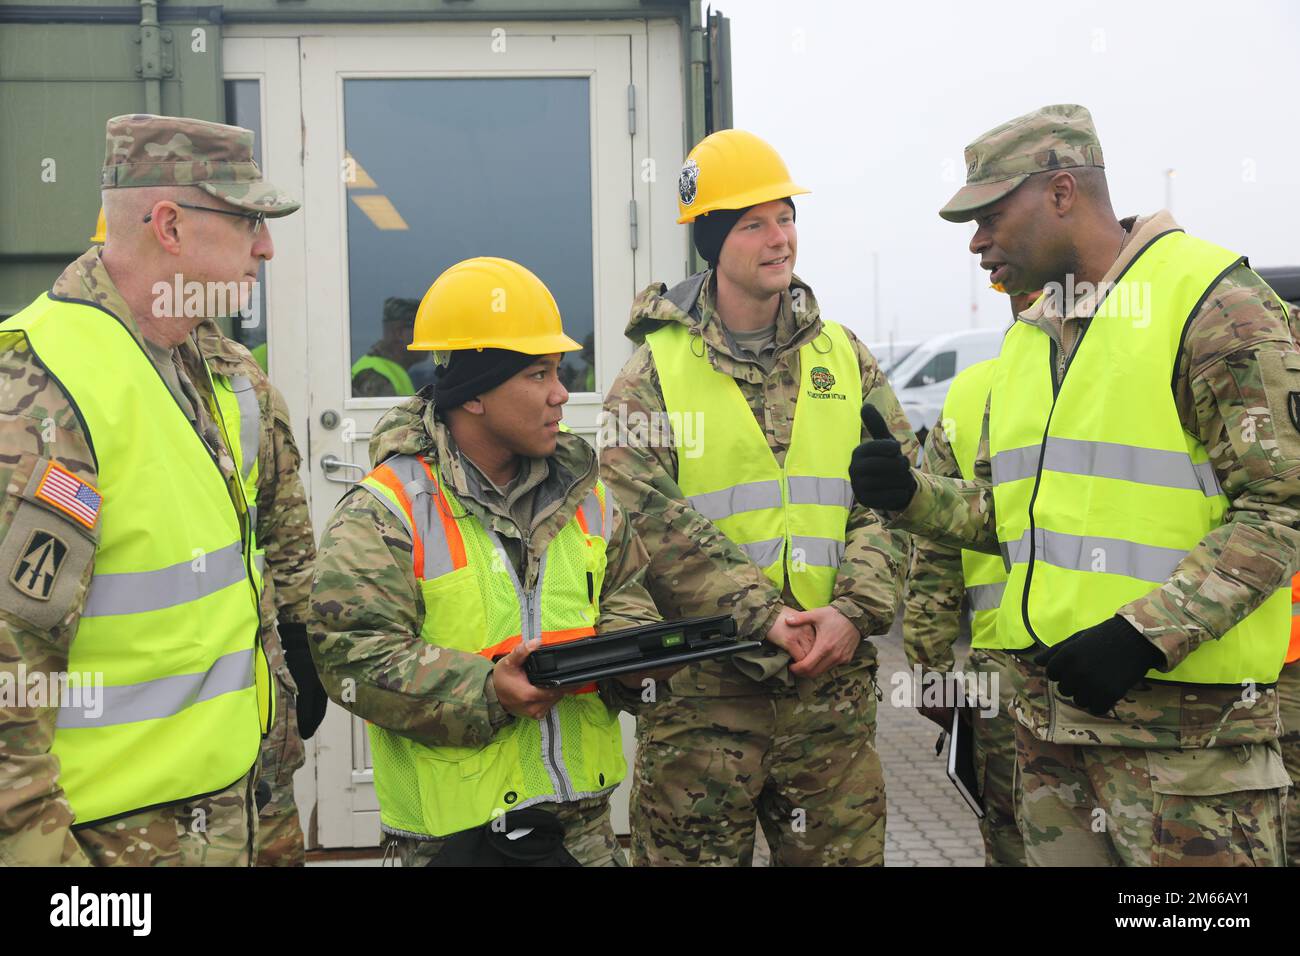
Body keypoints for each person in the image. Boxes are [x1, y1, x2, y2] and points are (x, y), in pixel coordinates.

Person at [851, 104, 1295, 866]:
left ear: (1062, 193)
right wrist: (910, 496)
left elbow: (1280, 508)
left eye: (990, 214)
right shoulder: (1031, 339)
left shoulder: (1214, 302)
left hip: (1185, 750)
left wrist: (1143, 634)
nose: (977, 241)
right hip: (1050, 735)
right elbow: (1013, 518)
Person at [600, 129, 915, 867]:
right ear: (713, 241)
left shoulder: (845, 356)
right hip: (704, 705)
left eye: (786, 217)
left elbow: (896, 500)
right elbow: (647, 525)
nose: (781, 239)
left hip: (828, 700)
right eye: (754, 223)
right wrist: (763, 616)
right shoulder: (651, 374)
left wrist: (854, 611)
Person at [0, 113, 300, 865]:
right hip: (111, 848)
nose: (265, 245)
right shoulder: (44, 391)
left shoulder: (210, 366)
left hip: (234, 815)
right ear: (169, 225)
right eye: (246, 221)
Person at [309, 256, 663, 866]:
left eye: (558, 371)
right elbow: (349, 654)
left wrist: (631, 661)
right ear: (473, 396)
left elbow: (627, 595)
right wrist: (485, 690)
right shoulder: (384, 511)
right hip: (452, 844)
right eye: (537, 374)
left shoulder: (591, 497)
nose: (561, 393)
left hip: (585, 835)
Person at [901, 291, 1039, 868]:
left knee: (1011, 838)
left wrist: (929, 672)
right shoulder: (1126, 378)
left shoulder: (967, 391)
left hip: (998, 671)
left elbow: (932, 555)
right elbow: (935, 547)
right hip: (1106, 669)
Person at [194, 320, 323, 867]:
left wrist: (300, 640)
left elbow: (282, 520)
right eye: (243, 228)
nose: (261, 249)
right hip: (132, 735)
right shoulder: (60, 365)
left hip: (252, 698)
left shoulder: (238, 375)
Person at [351, 296, 421, 397]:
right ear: (399, 333)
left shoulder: (393, 369)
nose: (426, 337)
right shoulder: (375, 376)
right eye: (420, 330)